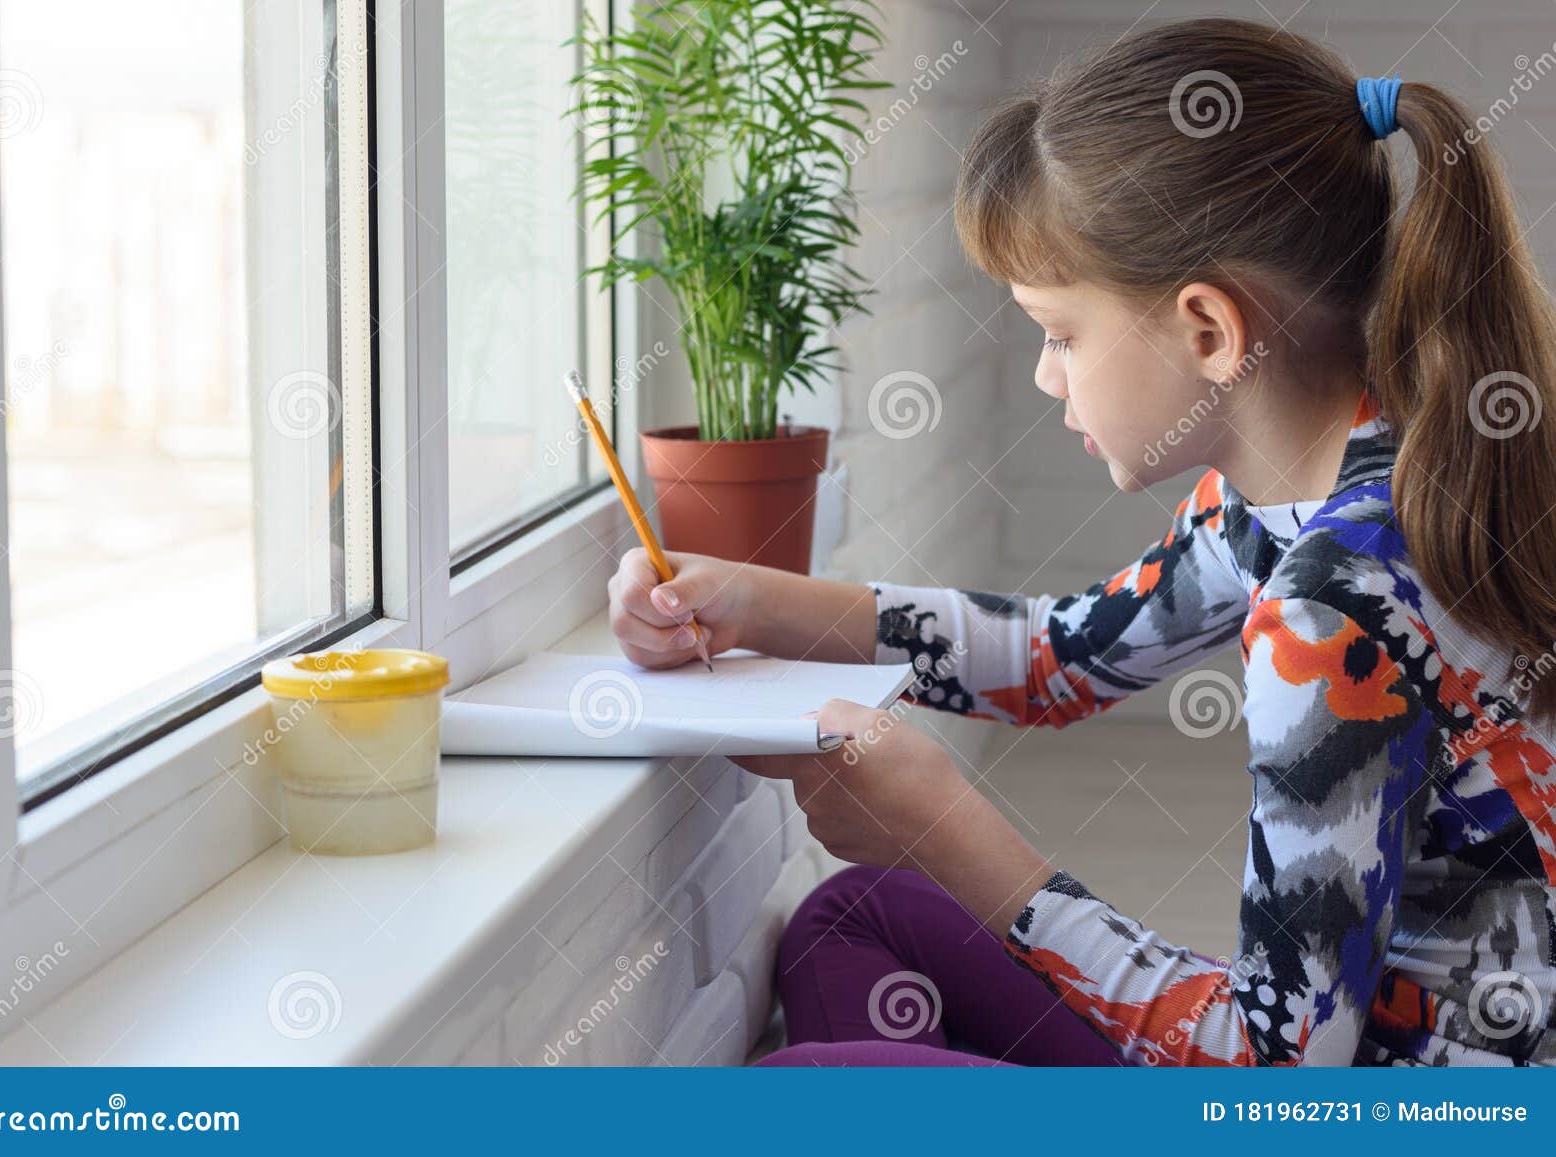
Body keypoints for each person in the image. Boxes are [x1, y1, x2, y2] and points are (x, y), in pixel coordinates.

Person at [605, 16, 1556, 1066]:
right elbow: (1061, 655)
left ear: (1208, 332)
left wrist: (949, 833)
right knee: (856, 915)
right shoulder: (1310, 486)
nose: (1045, 376)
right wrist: (760, 601)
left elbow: (1278, 1070)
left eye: (1060, 333)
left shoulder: (1334, 609)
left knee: (802, 1081)